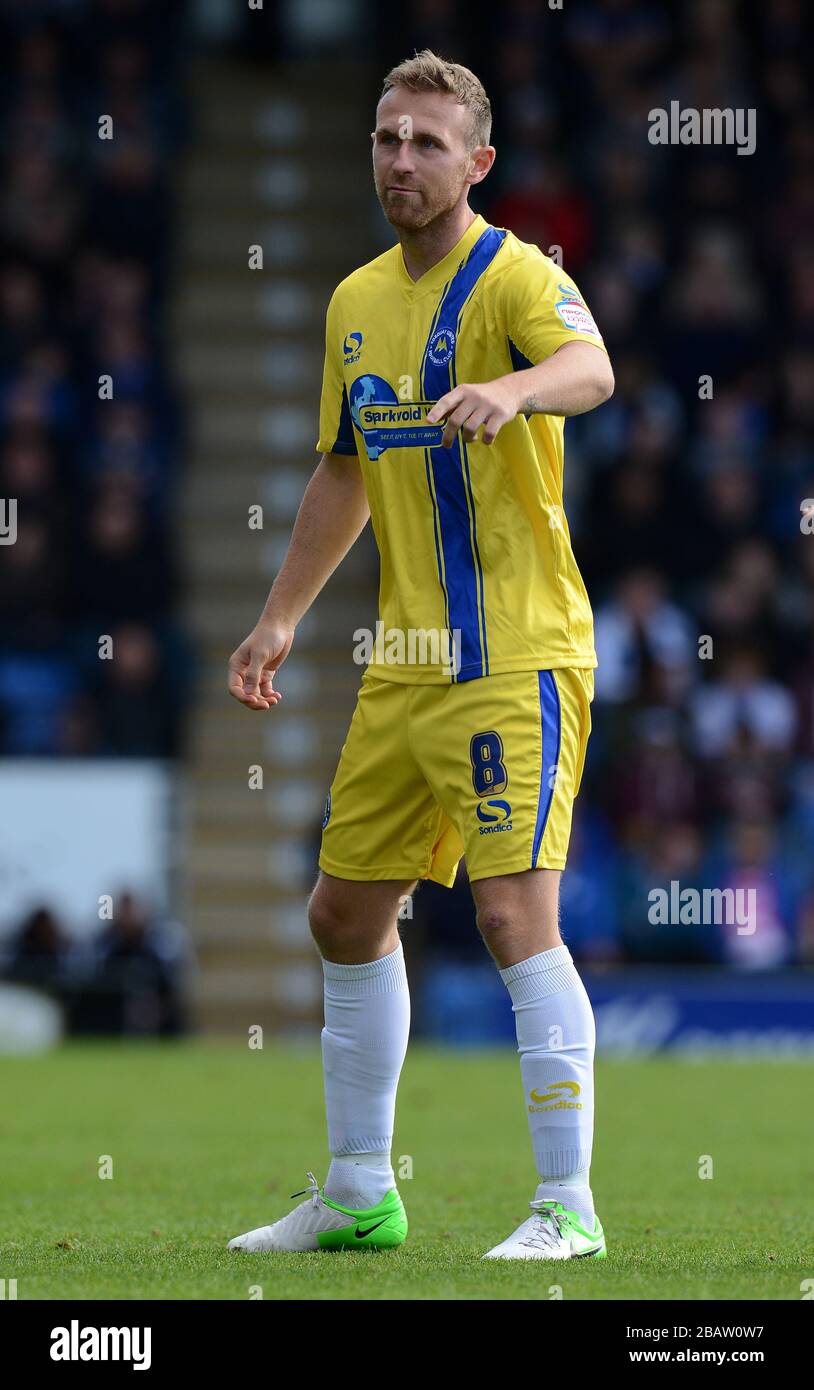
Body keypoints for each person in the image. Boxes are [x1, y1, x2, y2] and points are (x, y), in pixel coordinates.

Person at [226, 50, 613, 1261]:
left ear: (476, 163)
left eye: (428, 143)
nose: (402, 160)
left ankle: (568, 1207)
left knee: (511, 915)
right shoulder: (353, 302)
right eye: (389, 138)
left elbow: (594, 368)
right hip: (400, 658)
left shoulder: (517, 277)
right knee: (344, 914)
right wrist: (282, 612)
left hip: (514, 654)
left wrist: (521, 393)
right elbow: (346, 463)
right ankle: (357, 1192)